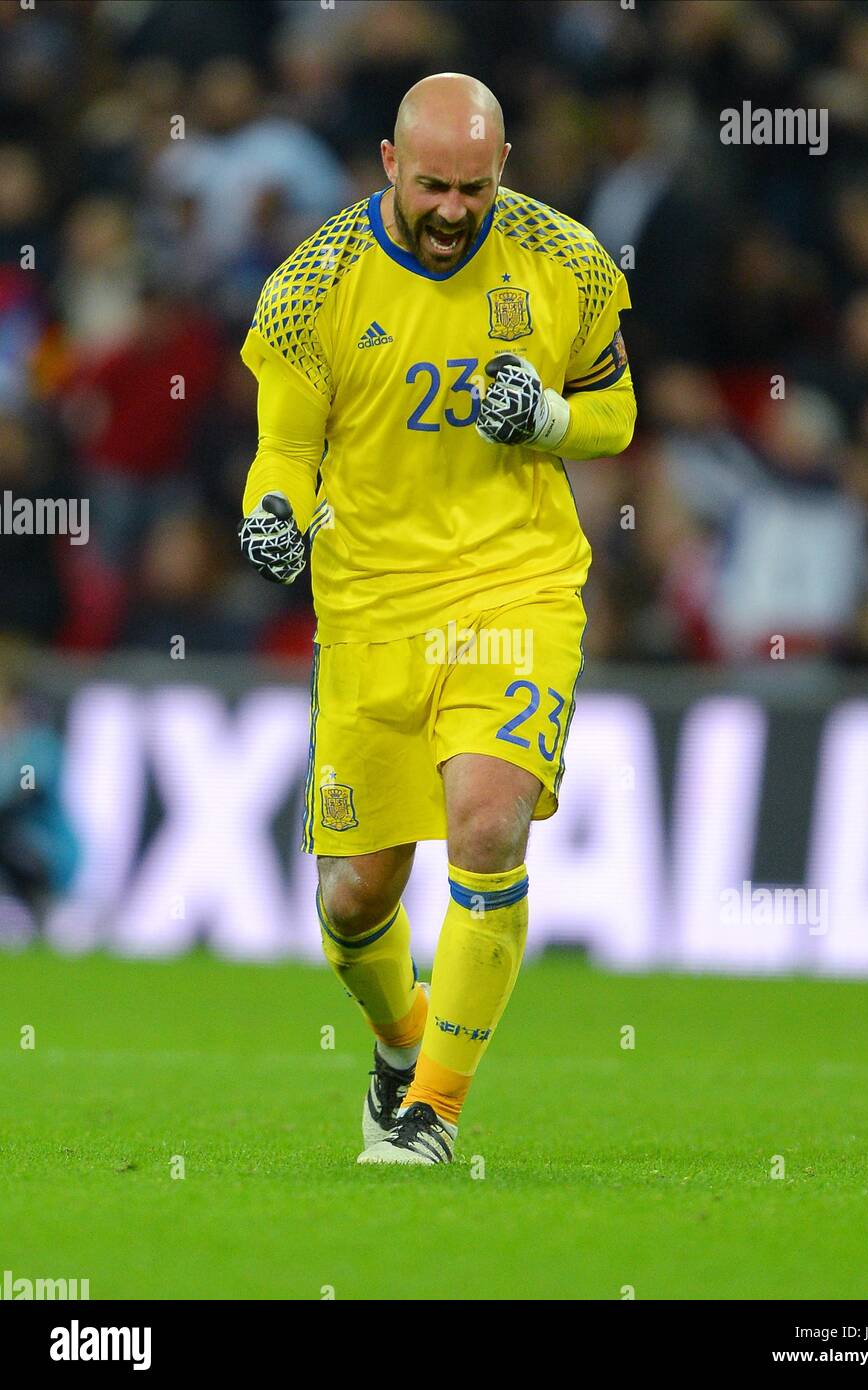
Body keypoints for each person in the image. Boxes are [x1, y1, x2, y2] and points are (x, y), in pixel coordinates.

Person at [238, 73, 636, 1165]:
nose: (453, 209)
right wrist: (272, 514)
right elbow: (283, 453)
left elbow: (617, 408)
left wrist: (551, 415)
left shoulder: (564, 261)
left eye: (473, 185)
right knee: (354, 896)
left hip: (516, 585)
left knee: (488, 825)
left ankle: (434, 1116)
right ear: (386, 164)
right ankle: (401, 1043)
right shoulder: (312, 286)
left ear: (501, 168)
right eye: (431, 186)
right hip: (370, 604)